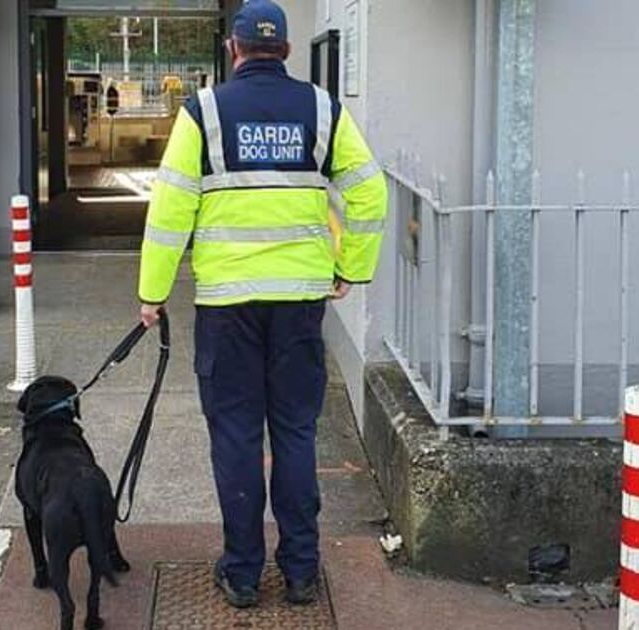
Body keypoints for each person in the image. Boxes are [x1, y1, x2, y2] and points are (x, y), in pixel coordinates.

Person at [136, 0, 387, 609]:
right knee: (296, 433)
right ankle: (301, 572)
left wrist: (153, 292)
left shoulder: (203, 113)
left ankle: (243, 574)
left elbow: (169, 210)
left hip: (227, 307)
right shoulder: (324, 110)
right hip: (299, 302)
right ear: (288, 51)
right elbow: (369, 191)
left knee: (237, 438)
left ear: (234, 49)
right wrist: (351, 267)